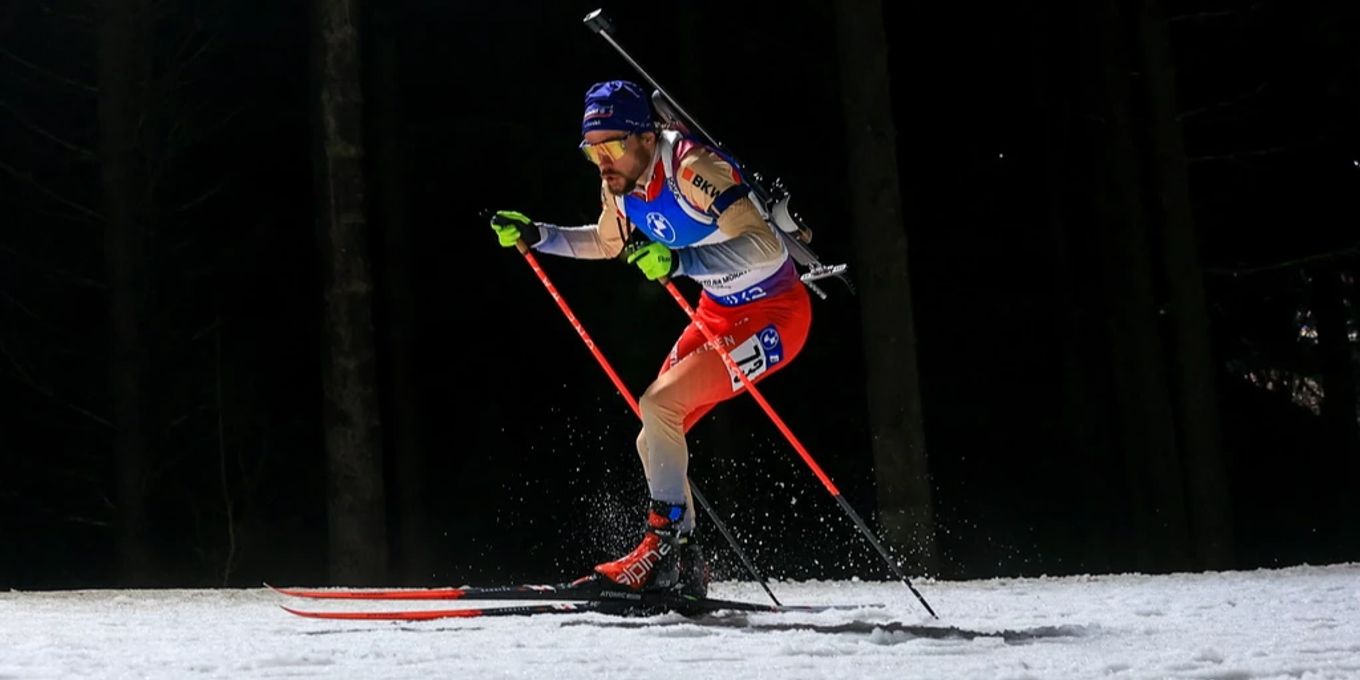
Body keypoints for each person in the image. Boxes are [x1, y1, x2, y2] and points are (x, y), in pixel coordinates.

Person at [488, 80, 812, 597]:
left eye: (612, 145)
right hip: (719, 310)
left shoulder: (692, 169)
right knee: (654, 428)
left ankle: (660, 552)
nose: (602, 160)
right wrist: (538, 235)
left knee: (659, 405)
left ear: (644, 136)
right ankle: (684, 563)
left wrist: (681, 262)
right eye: (592, 150)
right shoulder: (617, 184)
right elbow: (605, 242)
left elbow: (766, 248)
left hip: (775, 314)